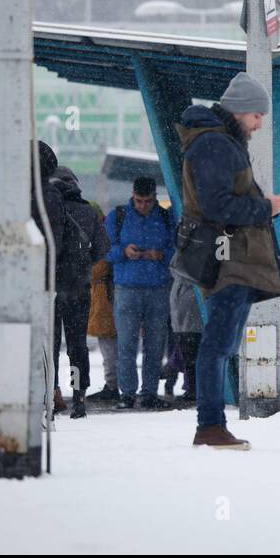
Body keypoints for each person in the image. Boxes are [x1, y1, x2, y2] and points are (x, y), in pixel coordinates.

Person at [177, 72, 280, 449]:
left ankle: (212, 425)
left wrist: (265, 205)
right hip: (231, 259)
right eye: (256, 115)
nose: (259, 124)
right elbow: (218, 206)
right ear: (240, 111)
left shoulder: (217, 141)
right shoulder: (216, 144)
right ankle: (210, 426)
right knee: (217, 345)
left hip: (234, 258)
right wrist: (266, 207)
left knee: (221, 345)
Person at [105, 176, 175, 410]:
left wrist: (162, 255)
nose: (143, 205)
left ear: (155, 197)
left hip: (157, 288)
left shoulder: (166, 217)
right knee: (126, 344)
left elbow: (177, 250)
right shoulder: (118, 216)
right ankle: (127, 394)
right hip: (127, 289)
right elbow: (104, 251)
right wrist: (124, 251)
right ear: (133, 196)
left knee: (155, 345)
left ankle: (149, 393)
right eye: (139, 201)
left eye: (147, 201)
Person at [50, 165, 110, 418]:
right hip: (78, 288)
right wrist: (81, 264)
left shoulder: (46, 212)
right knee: (77, 346)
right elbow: (102, 249)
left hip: (49, 289)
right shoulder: (87, 211)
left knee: (49, 346)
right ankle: (79, 398)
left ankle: (51, 394)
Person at [31, 141, 68, 414]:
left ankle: (38, 395)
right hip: (47, 279)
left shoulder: (29, 196)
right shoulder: (52, 195)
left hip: (31, 277)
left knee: (32, 341)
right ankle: (45, 394)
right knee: (45, 342)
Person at [85, 202, 121, 403]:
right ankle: (114, 384)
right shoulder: (108, 234)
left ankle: (113, 385)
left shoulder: (101, 238)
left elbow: (97, 269)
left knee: (110, 347)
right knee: (111, 347)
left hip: (105, 301)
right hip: (106, 300)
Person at [168, 276, 203, 403]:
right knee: (189, 353)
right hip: (185, 318)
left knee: (190, 354)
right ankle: (192, 388)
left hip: (188, 317)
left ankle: (193, 388)